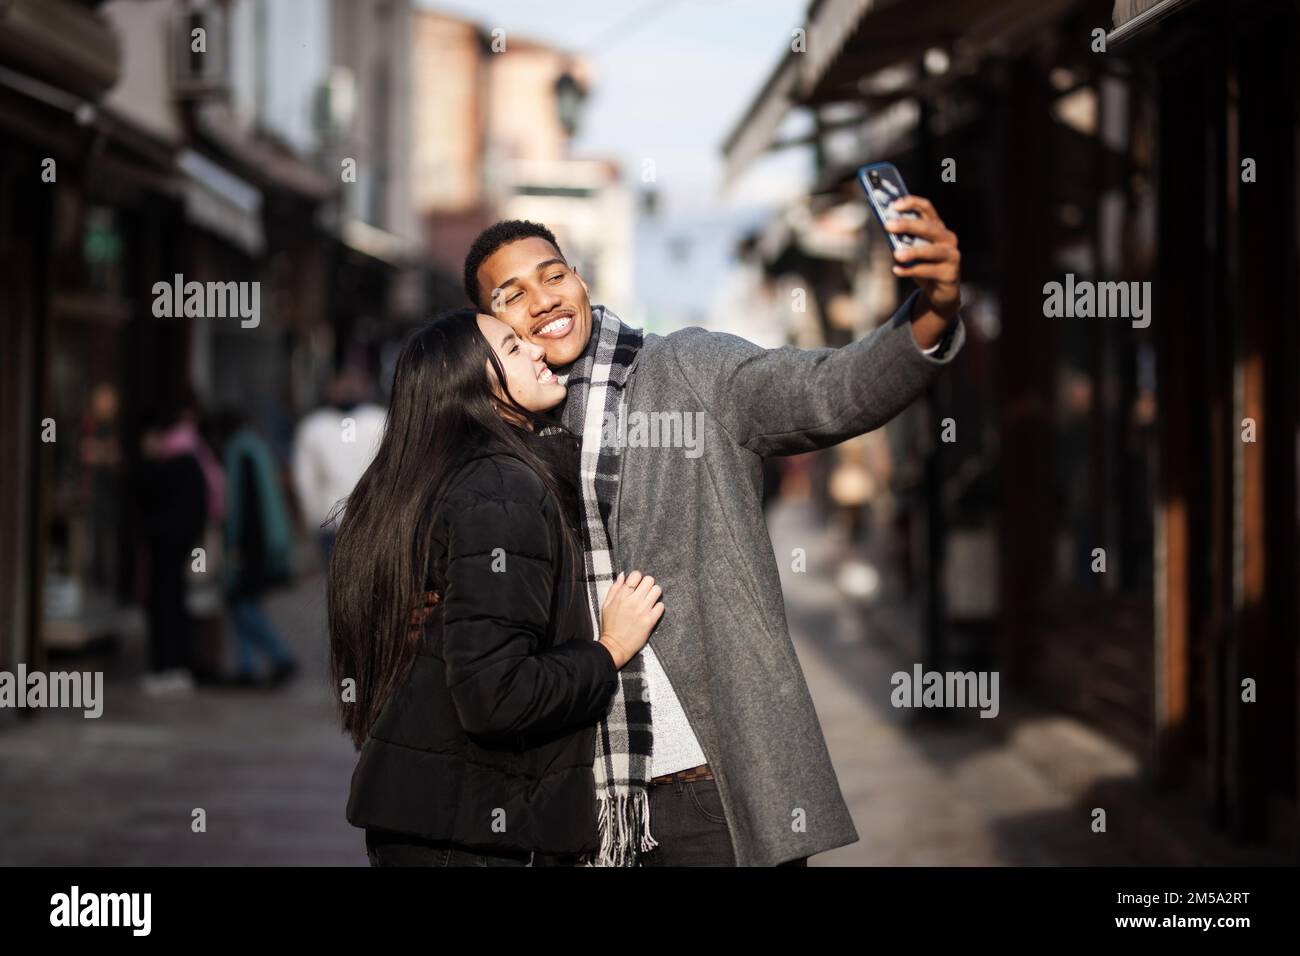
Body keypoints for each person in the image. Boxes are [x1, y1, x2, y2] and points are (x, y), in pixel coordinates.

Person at [462, 197, 965, 866]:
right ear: (487, 324)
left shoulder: (687, 370)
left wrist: (934, 309)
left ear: (580, 279)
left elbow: (830, 390)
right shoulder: (500, 440)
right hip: (578, 795)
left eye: (553, 275)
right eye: (510, 293)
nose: (542, 300)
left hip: (712, 783)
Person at [332, 308, 665, 866]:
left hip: (430, 820)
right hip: (474, 833)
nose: (536, 348)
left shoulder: (425, 483)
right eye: (512, 348)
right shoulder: (500, 487)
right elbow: (496, 695)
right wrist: (610, 649)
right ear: (475, 390)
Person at [213, 409, 299, 688]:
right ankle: (246, 665)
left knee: (241, 603)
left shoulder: (240, 452)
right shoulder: (257, 448)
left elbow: (244, 505)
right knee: (243, 602)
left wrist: (237, 547)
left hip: (249, 544)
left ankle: (280, 655)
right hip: (261, 541)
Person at [134, 404, 211, 697]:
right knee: (171, 605)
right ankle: (173, 668)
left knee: (166, 606)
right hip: (176, 547)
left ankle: (170, 668)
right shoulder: (190, 460)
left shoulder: (173, 464)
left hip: (168, 548)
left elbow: (147, 498)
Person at [291, 371, 386, 564]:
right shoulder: (380, 419)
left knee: (339, 581)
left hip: (338, 520)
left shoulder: (312, 426)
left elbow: (304, 480)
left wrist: (313, 518)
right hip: (368, 517)